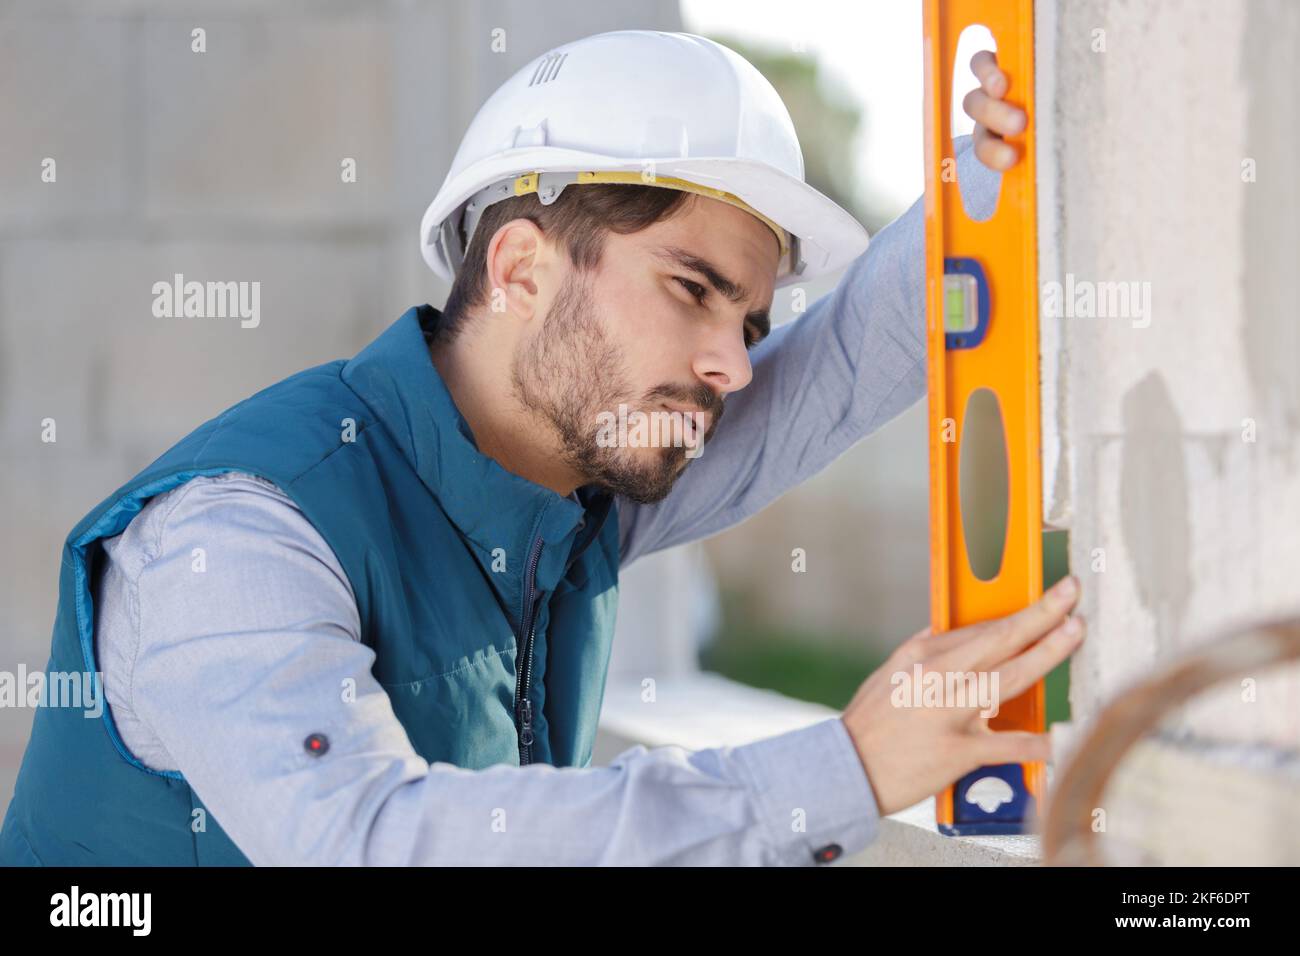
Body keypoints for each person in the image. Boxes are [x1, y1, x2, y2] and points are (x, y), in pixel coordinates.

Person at [0, 32, 1082, 866]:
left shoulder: (576, 481)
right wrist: (842, 767)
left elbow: (840, 362)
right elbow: (372, 840)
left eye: (746, 321)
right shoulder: (235, 534)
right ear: (519, 267)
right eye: (692, 290)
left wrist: (990, 171)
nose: (733, 365)